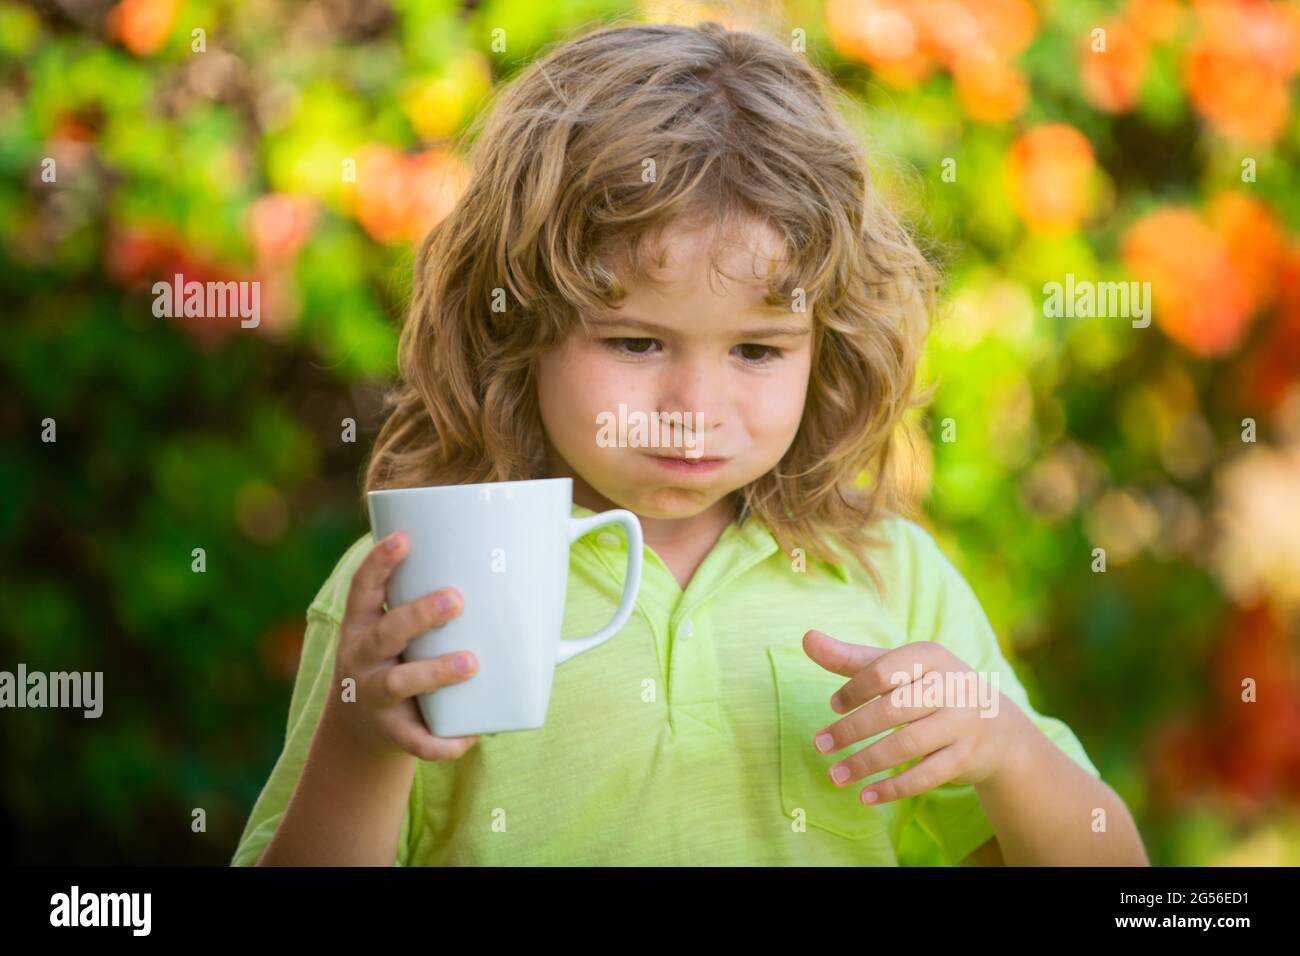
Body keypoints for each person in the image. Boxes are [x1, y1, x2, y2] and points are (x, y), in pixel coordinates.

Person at [234, 20, 1147, 866]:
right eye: (636, 342)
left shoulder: (887, 575)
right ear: (515, 326)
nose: (692, 407)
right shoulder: (421, 589)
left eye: (757, 350)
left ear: (825, 347)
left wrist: (1004, 749)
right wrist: (363, 743)